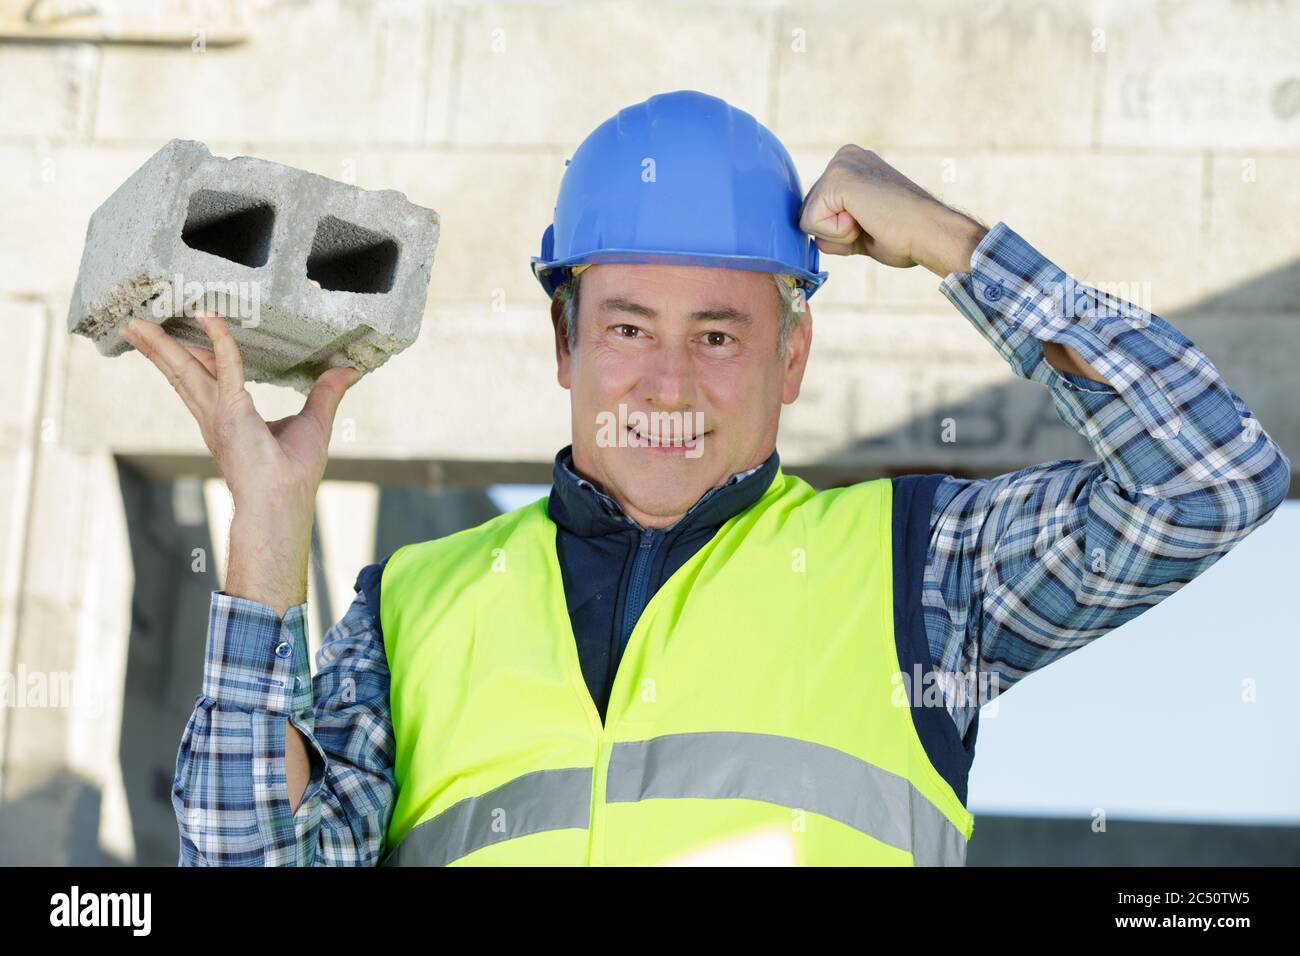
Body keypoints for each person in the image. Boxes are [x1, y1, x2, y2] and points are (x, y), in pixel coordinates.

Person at [127, 91, 1289, 866]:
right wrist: (268, 530)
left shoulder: (918, 571)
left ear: (792, 357)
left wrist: (953, 243)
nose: (669, 379)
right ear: (564, 346)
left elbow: (1208, 478)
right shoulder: (414, 604)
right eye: (628, 327)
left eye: (721, 335)